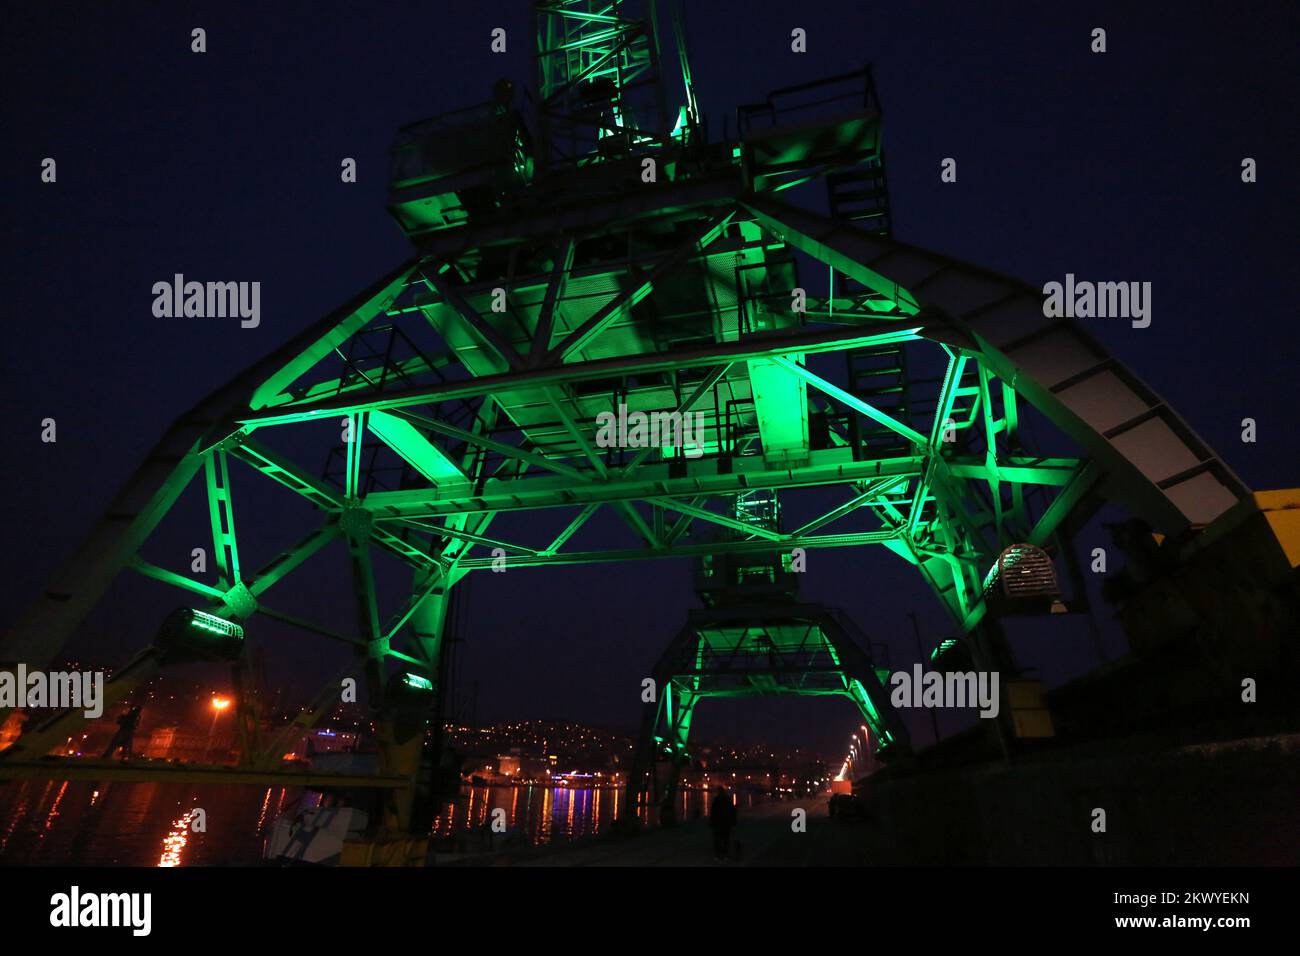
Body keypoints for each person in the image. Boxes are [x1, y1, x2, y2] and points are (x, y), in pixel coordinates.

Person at [709, 784, 737, 860]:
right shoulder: (727, 800)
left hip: (719, 822)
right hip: (725, 822)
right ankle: (724, 854)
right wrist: (733, 821)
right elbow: (732, 811)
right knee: (725, 839)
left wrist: (711, 821)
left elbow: (713, 812)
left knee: (718, 839)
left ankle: (718, 854)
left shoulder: (716, 800)